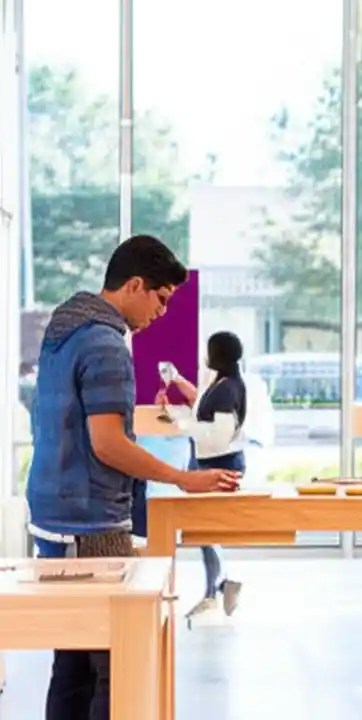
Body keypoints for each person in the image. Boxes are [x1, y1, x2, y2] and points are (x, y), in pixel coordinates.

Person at [26, 234, 240, 720]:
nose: (162, 312)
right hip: (92, 523)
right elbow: (108, 443)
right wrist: (182, 479)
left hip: (53, 512)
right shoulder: (106, 343)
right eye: (161, 298)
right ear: (136, 285)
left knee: (72, 661)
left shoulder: (63, 331)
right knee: (114, 661)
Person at [158, 331, 250, 620]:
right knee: (204, 530)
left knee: (205, 528)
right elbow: (201, 408)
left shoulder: (227, 388)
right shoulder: (221, 383)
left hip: (219, 463)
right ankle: (218, 586)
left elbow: (217, 435)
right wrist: (175, 397)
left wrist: (181, 425)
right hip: (207, 462)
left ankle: (217, 587)